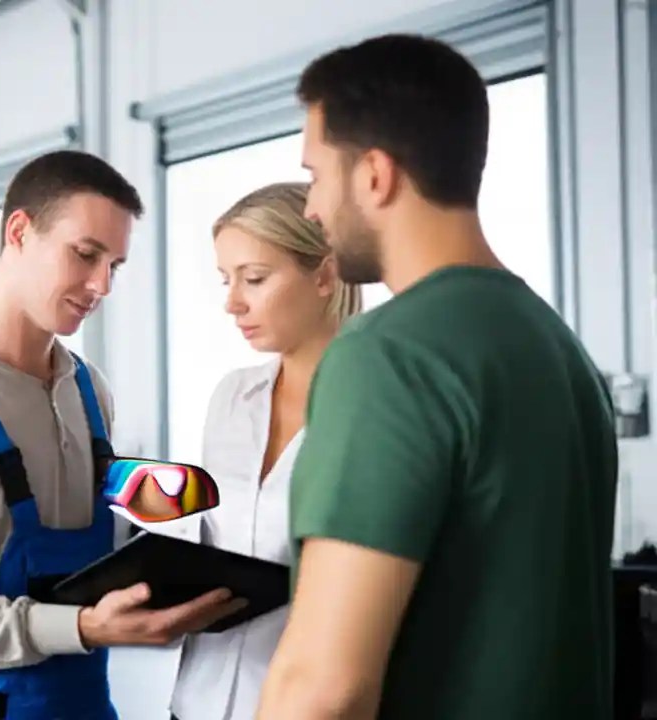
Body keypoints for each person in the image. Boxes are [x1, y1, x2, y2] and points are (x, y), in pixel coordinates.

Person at [255, 34, 618, 719]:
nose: (310, 207)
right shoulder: (558, 347)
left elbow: (322, 686)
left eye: (315, 174)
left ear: (374, 174)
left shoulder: (387, 355)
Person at [0, 150, 240, 720]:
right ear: (19, 231)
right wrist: (83, 627)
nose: (101, 285)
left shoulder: (90, 391)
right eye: (85, 255)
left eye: (114, 265)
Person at [154, 182, 361, 720]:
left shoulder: (375, 408)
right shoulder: (232, 397)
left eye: (255, 278)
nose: (233, 302)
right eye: (227, 280)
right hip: (194, 701)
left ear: (324, 274)